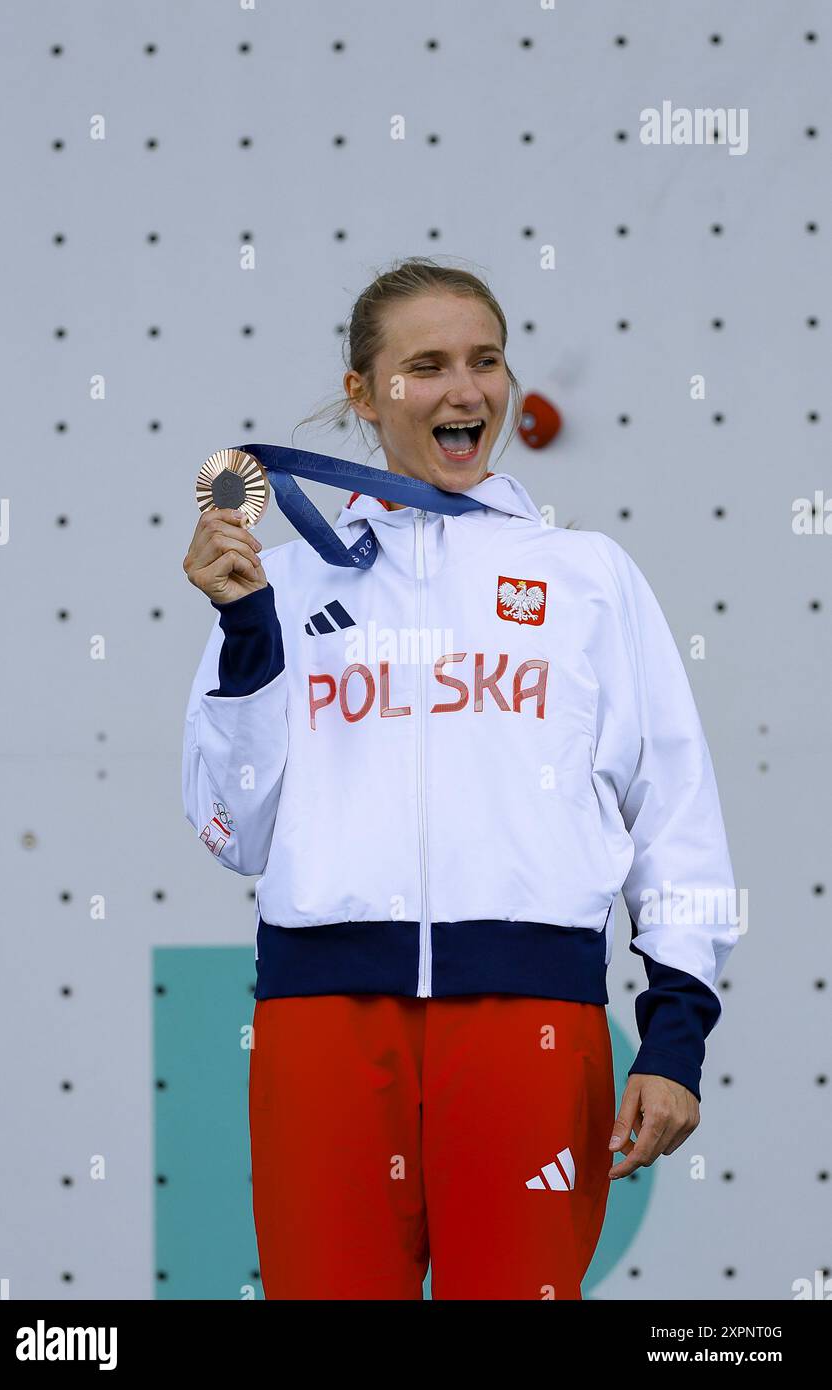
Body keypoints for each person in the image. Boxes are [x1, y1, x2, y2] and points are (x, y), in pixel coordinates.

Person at [181, 257, 739, 1300]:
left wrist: (673, 1031)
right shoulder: (281, 580)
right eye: (424, 366)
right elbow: (230, 830)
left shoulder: (586, 577)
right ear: (363, 394)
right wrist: (248, 640)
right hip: (324, 1023)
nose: (464, 390)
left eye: (484, 361)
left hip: (528, 1019)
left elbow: (676, 816)